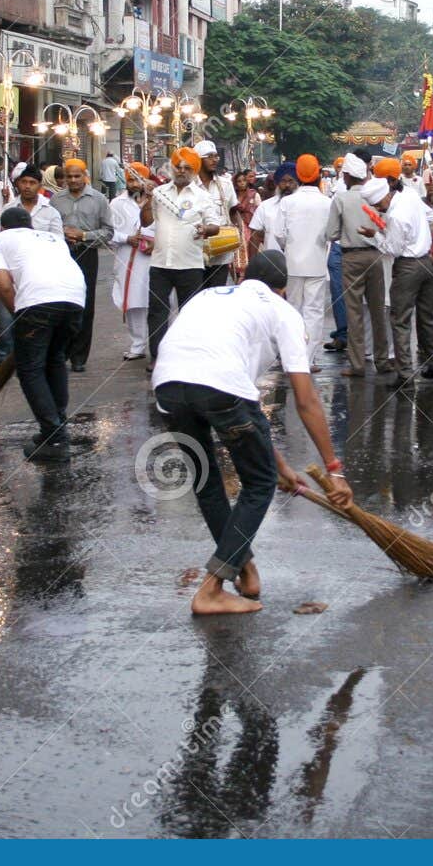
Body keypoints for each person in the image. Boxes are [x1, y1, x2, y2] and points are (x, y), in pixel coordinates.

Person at [151, 251, 354, 616]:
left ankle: (243, 568)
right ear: (284, 289)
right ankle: (211, 590)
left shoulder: (211, 296)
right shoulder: (282, 311)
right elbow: (305, 399)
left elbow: (246, 409)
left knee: (208, 484)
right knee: (259, 485)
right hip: (217, 386)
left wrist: (279, 466)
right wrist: (334, 469)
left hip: (167, 384)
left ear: (244, 276)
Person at [0, 206, 89, 461]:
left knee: (29, 368)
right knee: (54, 360)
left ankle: (53, 435)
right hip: (76, 299)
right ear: (30, 225)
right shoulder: (54, 238)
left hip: (38, 301)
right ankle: (57, 424)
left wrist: (17, 314)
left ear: (3, 226)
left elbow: (3, 285)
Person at [147, 147, 218, 364]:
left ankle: (187, 356)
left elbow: (215, 225)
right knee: (157, 312)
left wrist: (205, 230)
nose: (182, 170)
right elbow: (145, 221)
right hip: (160, 263)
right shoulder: (159, 193)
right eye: (178, 166)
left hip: (190, 264)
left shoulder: (203, 197)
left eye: (187, 167)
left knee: (189, 314)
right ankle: (157, 357)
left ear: (195, 171)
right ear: (172, 167)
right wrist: (147, 199)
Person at [372, 173, 433, 384]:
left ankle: (405, 374)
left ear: (385, 197)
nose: (379, 209)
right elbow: (431, 217)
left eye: (378, 205)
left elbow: (392, 249)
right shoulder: (411, 196)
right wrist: (418, 234)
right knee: (429, 316)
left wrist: (375, 234)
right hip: (426, 262)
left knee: (400, 320)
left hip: (407, 267)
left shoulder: (395, 215)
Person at [325, 153, 391, 378]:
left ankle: (358, 364)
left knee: (354, 312)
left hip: (351, 258)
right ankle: (383, 360)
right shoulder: (374, 195)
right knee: (377, 310)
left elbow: (331, 233)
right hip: (374, 255)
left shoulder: (341, 199)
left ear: (348, 176)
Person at [49, 158, 114, 372]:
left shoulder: (98, 199)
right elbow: (49, 228)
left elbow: (108, 232)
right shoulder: (56, 200)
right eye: (69, 176)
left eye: (77, 176)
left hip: (87, 254)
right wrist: (63, 235)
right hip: (61, 255)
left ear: (85, 175)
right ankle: (62, 351)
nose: (74, 180)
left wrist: (84, 235)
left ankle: (79, 356)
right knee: (61, 304)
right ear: (64, 178)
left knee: (85, 305)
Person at [273, 154, 334, 371]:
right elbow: (331, 234)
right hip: (317, 263)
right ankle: (308, 360)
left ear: (298, 175)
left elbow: (279, 234)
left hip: (292, 264)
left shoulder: (288, 202)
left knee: (292, 311)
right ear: (318, 174)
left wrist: (290, 247)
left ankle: (292, 359)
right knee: (314, 313)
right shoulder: (327, 202)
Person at [109, 162, 155, 361]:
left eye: (138, 179)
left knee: (157, 301)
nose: (134, 184)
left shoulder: (158, 200)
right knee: (133, 302)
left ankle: (159, 344)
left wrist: (156, 240)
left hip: (154, 258)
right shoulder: (116, 203)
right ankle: (137, 345)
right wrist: (127, 238)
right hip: (128, 257)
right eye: (130, 179)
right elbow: (109, 233)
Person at [194, 140, 237, 289]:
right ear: (198, 160)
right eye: (209, 156)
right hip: (195, 253)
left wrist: (237, 235)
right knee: (195, 297)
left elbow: (232, 212)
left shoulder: (226, 184)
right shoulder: (189, 186)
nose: (214, 160)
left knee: (216, 295)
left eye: (216, 156)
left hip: (221, 253)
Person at [247, 161, 294, 253]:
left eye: (291, 181)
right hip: (271, 262)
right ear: (277, 183)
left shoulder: (304, 206)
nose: (287, 185)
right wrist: (253, 264)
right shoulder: (265, 206)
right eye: (283, 181)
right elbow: (255, 237)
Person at [231, 169, 261, 280]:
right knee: (235, 259)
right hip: (236, 228)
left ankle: (250, 277)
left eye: (244, 180)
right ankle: (238, 278)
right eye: (239, 181)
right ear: (235, 183)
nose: (242, 183)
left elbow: (259, 212)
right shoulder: (232, 197)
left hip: (251, 228)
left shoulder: (254, 195)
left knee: (251, 253)